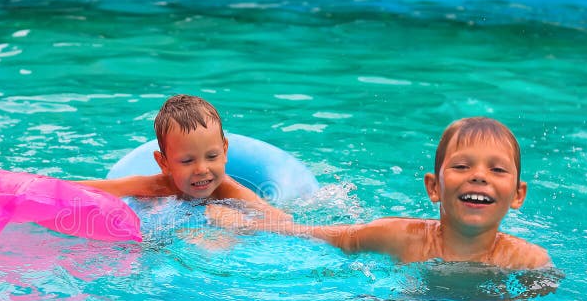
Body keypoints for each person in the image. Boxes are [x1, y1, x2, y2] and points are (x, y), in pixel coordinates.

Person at [210, 116, 550, 270]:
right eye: (462, 166)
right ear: (434, 187)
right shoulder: (399, 237)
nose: (479, 177)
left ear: (517, 195)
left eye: (497, 170)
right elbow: (322, 235)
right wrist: (247, 225)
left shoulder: (527, 261)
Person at [80, 94, 289, 218]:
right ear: (164, 163)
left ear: (224, 151)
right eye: (188, 161)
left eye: (212, 156)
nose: (202, 169)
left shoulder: (229, 191)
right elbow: (91, 190)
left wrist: (241, 224)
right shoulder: (157, 186)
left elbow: (281, 220)